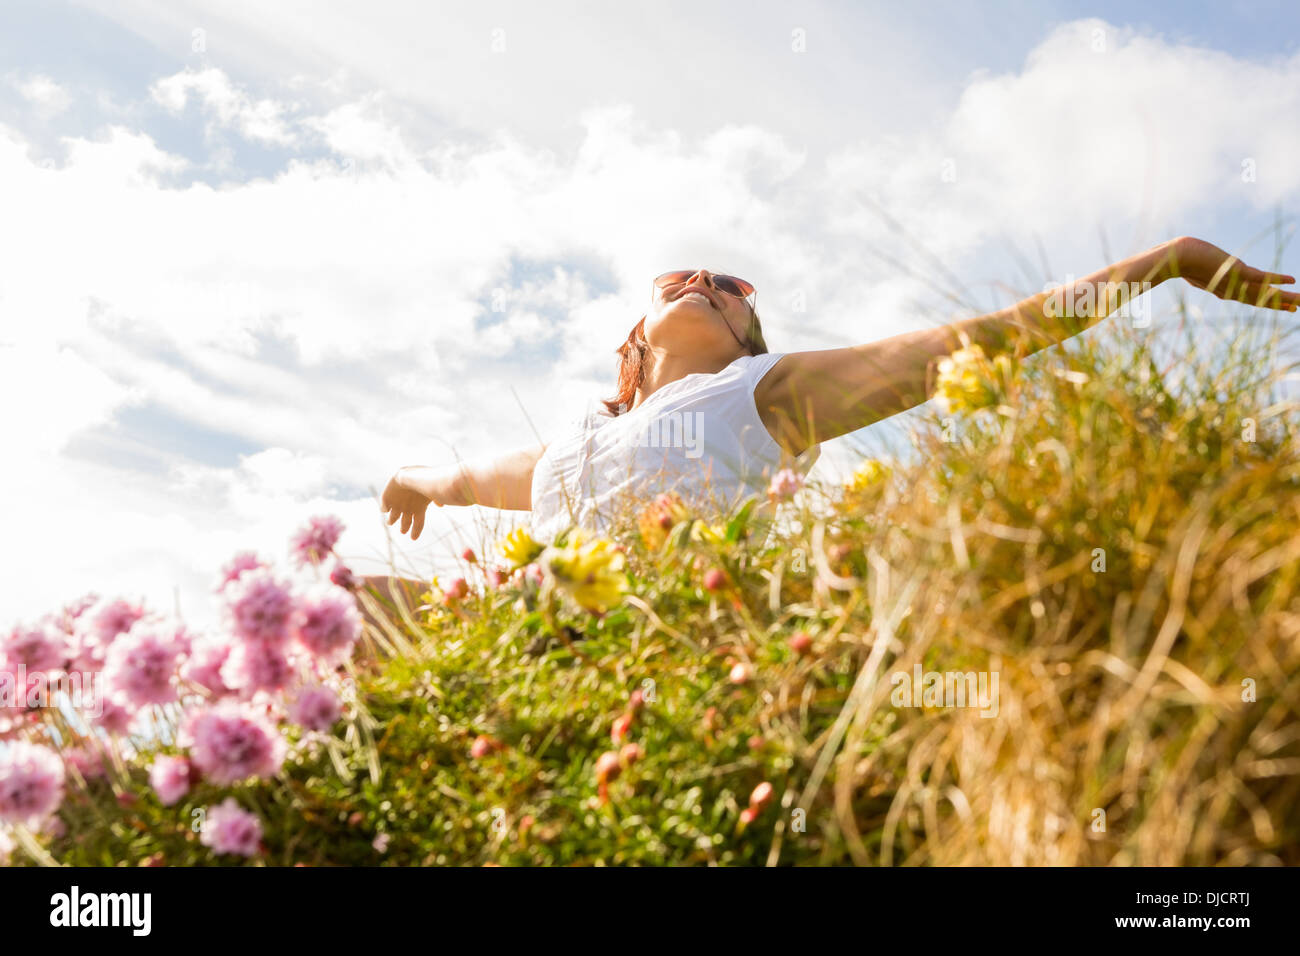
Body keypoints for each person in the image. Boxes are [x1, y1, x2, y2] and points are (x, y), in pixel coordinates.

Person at [364, 239, 1296, 613]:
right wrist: (413, 480)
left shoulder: (763, 390)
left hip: (677, 647)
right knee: (362, 598)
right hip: (544, 644)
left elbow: (979, 338)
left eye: (727, 287)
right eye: (679, 279)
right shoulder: (575, 440)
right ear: (637, 335)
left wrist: (1168, 261)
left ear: (746, 334)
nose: (702, 284)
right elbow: (473, 479)